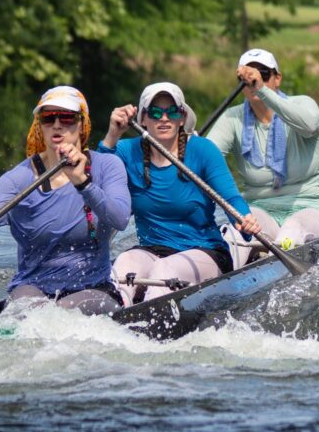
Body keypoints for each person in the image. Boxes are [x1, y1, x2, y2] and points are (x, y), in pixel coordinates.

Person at [0, 86, 132, 315]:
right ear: (40, 125)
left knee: (60, 313)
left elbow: (120, 218)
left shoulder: (108, 166)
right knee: (33, 313)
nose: (58, 124)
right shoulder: (17, 180)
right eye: (49, 118)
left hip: (93, 287)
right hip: (32, 288)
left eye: (67, 117)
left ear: (81, 124)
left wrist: (83, 183)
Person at [99, 82, 260, 304]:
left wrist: (243, 219)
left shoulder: (203, 150)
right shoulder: (126, 151)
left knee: (164, 270)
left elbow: (230, 198)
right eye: (155, 112)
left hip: (203, 250)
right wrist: (112, 134)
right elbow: (96, 179)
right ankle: (114, 322)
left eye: (171, 111)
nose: (163, 118)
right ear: (143, 120)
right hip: (152, 248)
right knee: (123, 263)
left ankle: (149, 327)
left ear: (182, 117)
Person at [205, 48, 319, 262]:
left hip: (310, 207)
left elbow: (310, 125)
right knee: (234, 237)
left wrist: (263, 92)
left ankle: (275, 259)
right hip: (260, 210)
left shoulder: (303, 103)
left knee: (291, 230)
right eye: (247, 77)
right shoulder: (232, 118)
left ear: (277, 79)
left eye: (263, 74)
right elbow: (206, 157)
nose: (254, 81)